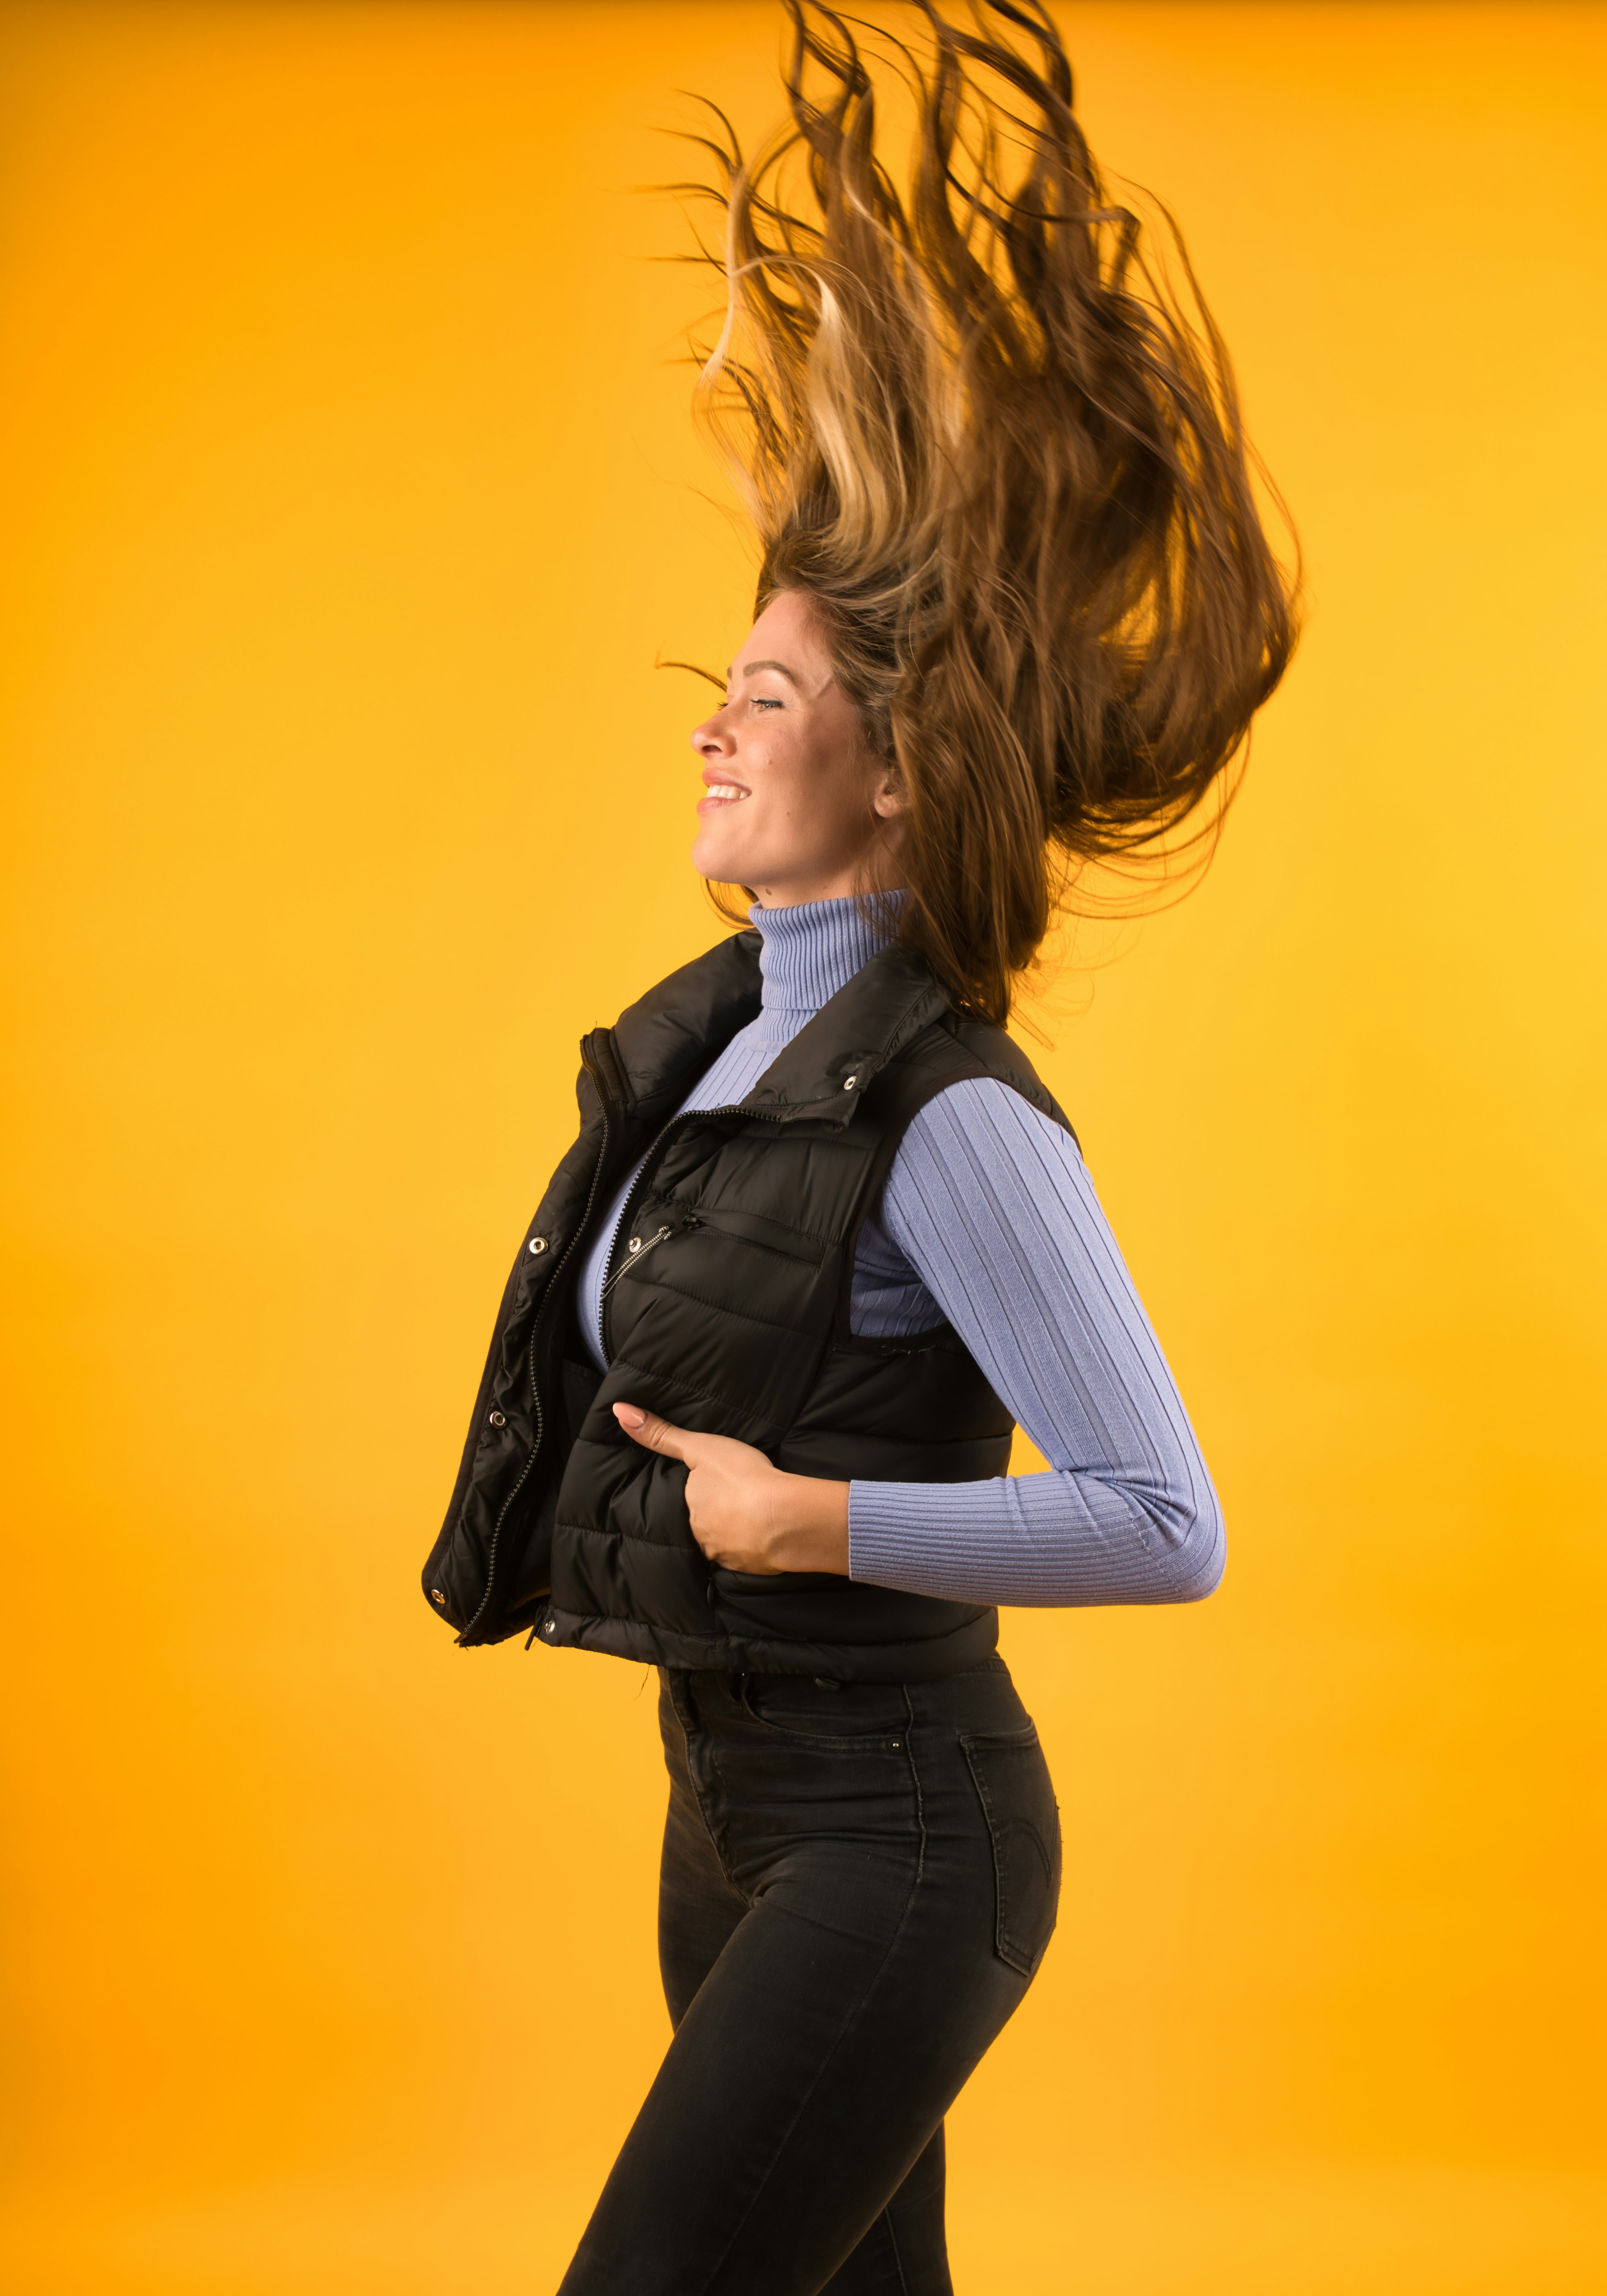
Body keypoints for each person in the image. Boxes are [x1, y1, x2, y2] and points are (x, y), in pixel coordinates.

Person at [422, 3, 1297, 2288]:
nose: (719, 718)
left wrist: (819, 1517)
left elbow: (1169, 1524)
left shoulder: (953, 1110)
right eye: (727, 679)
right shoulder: (701, 1050)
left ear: (895, 779)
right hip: (724, 1811)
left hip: (904, 1832)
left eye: (777, 698)